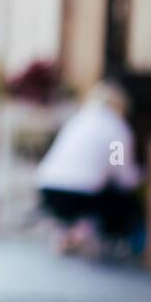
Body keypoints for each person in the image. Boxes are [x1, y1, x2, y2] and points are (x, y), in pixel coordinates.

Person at [35, 80, 143, 256]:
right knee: (120, 199)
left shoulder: (79, 120)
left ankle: (72, 232)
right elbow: (122, 175)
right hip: (83, 193)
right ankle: (85, 233)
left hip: (48, 187)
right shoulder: (117, 129)